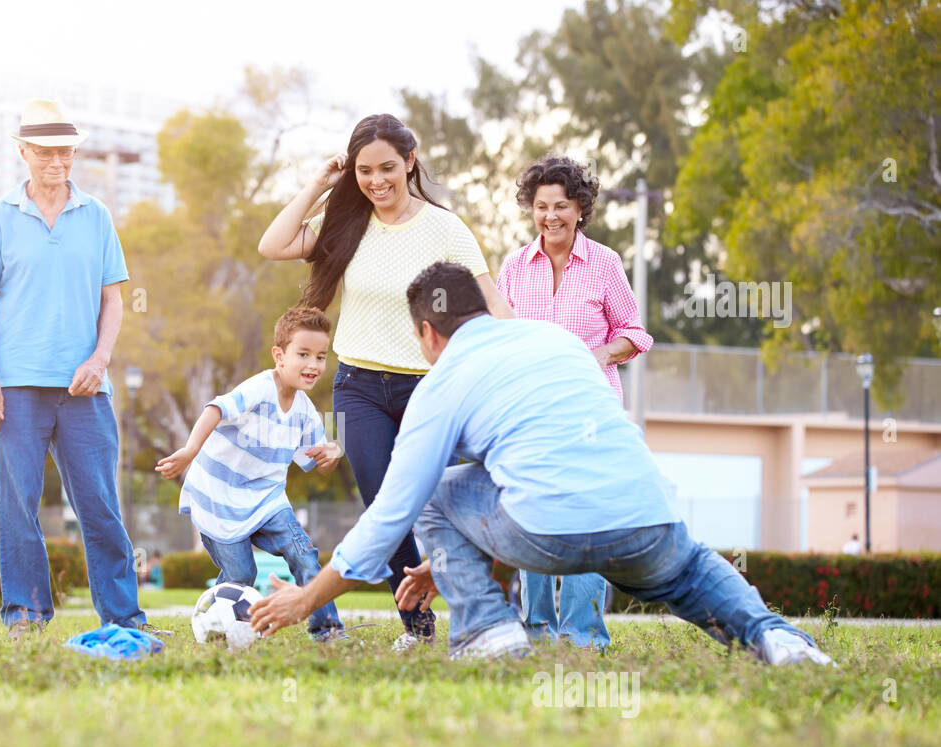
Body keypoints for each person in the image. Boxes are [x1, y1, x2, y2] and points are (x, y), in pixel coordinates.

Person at [250, 262, 835, 668]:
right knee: (691, 571)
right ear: (482, 309)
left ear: (427, 333)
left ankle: (487, 630)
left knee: (430, 490)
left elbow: (393, 513)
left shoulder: (441, 384)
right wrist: (449, 558)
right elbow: (551, 464)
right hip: (644, 519)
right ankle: (779, 640)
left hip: (545, 535)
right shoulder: (558, 343)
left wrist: (306, 599)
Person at [258, 113, 511, 652]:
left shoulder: (445, 227)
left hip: (430, 386)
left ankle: (477, 617)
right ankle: (419, 632)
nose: (377, 181)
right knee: (384, 506)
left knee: (432, 507)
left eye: (388, 168)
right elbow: (273, 245)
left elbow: (494, 304)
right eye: (365, 171)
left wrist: (523, 359)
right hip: (358, 387)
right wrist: (318, 185)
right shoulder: (347, 222)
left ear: (410, 162)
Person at [0, 97, 165, 642]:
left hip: (84, 388)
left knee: (100, 506)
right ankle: (25, 617)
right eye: (45, 151)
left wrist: (100, 359)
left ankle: (124, 619)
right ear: (23, 151)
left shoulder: (95, 216)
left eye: (65, 151)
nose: (56, 161)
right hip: (16, 387)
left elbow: (114, 300)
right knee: (19, 507)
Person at [497, 155, 654, 649]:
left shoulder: (604, 263)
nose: (551, 217)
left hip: (592, 410)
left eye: (561, 206)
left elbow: (634, 332)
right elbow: (501, 338)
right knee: (536, 515)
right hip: (532, 412)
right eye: (541, 206)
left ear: (580, 209)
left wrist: (601, 352)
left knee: (589, 516)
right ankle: (538, 627)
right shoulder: (514, 268)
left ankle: (585, 633)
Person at [156, 306, 347, 641]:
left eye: (320, 356)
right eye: (303, 354)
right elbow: (215, 408)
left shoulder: (306, 414)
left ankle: (327, 631)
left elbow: (320, 461)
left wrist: (334, 452)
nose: (313, 365)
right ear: (279, 355)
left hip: (266, 498)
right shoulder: (260, 388)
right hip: (219, 496)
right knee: (241, 574)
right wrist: (189, 450)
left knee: (305, 555)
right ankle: (217, 628)